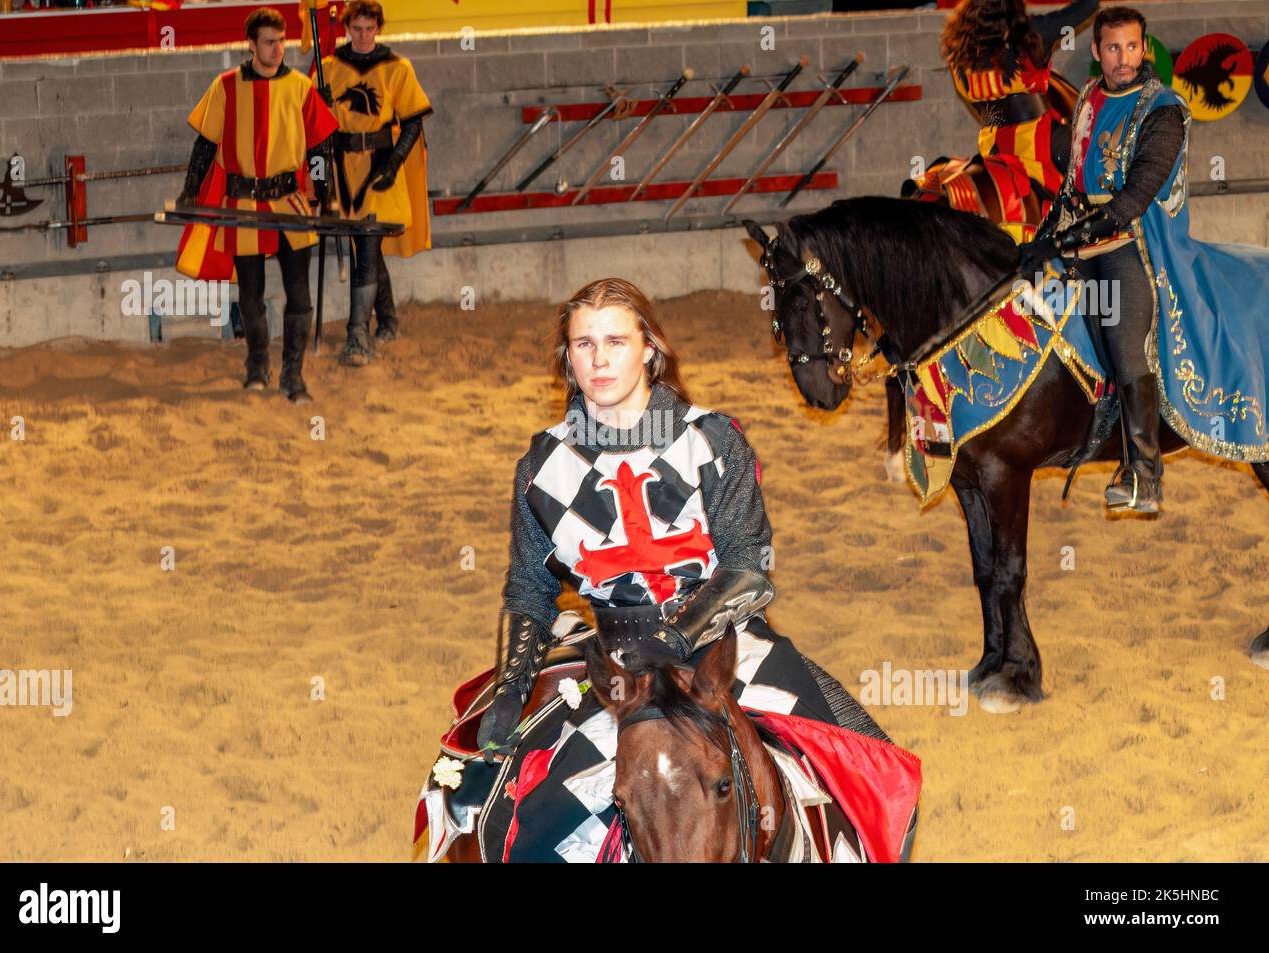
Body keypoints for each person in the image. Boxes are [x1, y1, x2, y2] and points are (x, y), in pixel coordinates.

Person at [461, 278, 920, 862]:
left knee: (875, 775)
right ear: (566, 356)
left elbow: (748, 567)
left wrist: (676, 637)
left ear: (649, 349)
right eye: (583, 344)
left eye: (616, 342)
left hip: (720, 644)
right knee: (521, 824)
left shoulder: (711, 438)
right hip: (610, 654)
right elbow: (529, 590)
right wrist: (511, 687)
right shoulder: (541, 464)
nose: (599, 360)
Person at [1018, 5, 1269, 512]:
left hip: (1134, 247)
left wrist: (1070, 240)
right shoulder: (1088, 101)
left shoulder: (1163, 110)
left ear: (1145, 48)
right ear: (1096, 52)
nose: (1124, 58)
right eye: (1113, 48)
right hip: (1083, 242)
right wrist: (1042, 240)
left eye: (1132, 47)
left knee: (1121, 331)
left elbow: (1133, 198)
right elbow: (1072, 189)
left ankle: (1144, 473)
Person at [174, 7, 339, 404]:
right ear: (251, 44)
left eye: (281, 40)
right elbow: (206, 143)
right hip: (243, 202)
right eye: (269, 41)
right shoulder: (227, 85)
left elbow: (319, 145)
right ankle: (257, 364)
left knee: (299, 294)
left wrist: (326, 194)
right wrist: (190, 189)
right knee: (251, 293)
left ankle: (293, 376)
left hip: (289, 200)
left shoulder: (300, 86)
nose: (278, 48)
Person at [315, 0, 432, 367]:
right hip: (342, 166)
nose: (363, 36)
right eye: (356, 28)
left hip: (381, 167)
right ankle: (390, 320)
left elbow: (413, 121)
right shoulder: (329, 68)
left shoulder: (397, 67)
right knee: (365, 247)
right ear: (348, 27)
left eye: (370, 28)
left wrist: (395, 163)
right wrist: (318, 104)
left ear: (378, 28)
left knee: (366, 245)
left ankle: (357, 335)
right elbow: (316, 130)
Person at [940, 0, 1098, 199]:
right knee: (1097, 161)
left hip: (992, 144)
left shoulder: (960, 45)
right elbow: (1088, 5)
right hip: (1039, 139)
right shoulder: (1034, 33)